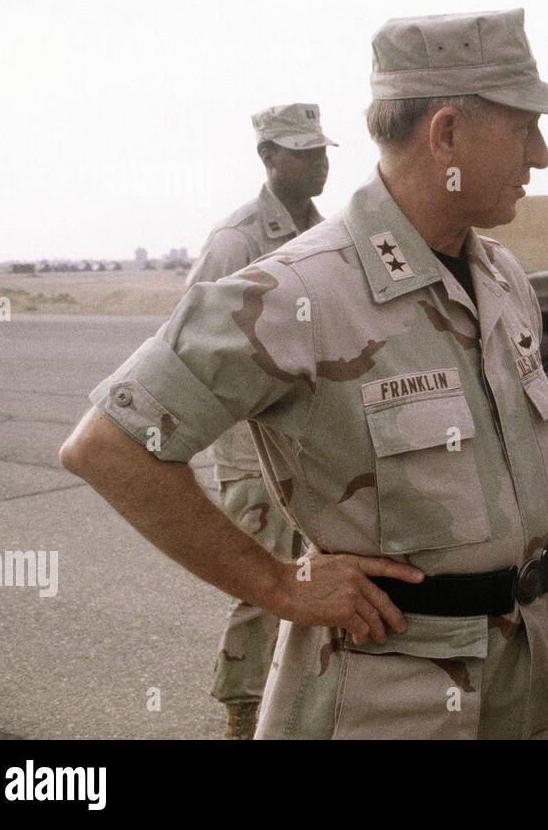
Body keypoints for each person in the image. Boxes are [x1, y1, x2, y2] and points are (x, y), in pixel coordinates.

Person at [60, 7, 548, 739]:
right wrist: (277, 583)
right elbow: (109, 447)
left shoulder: (499, 275)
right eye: (525, 125)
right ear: (447, 135)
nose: (541, 155)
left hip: (523, 680)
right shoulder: (297, 292)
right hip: (391, 701)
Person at [184, 102, 335, 739]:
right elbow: (192, 343)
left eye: (322, 151)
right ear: (268, 158)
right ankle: (242, 713)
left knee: (321, 572)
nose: (319, 163)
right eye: (303, 152)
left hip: (311, 434)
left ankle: (302, 705)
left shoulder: (325, 231)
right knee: (262, 575)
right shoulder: (238, 241)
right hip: (252, 441)